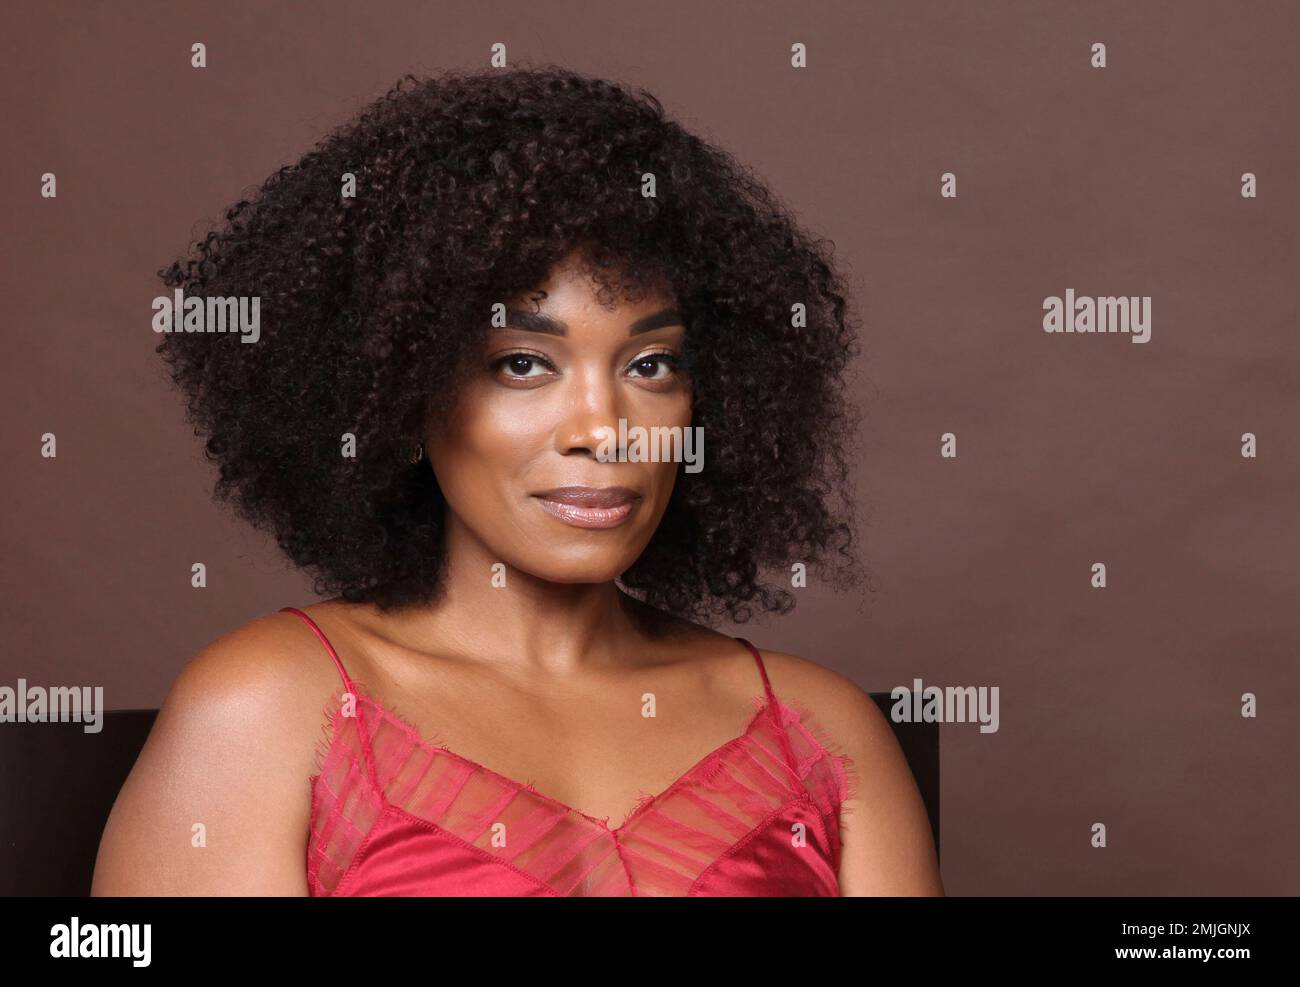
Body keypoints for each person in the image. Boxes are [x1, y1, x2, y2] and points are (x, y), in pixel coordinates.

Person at [92, 65, 943, 896]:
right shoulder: (271, 707)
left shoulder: (821, 736)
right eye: (524, 364)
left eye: (650, 364)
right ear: (404, 395)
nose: (602, 430)